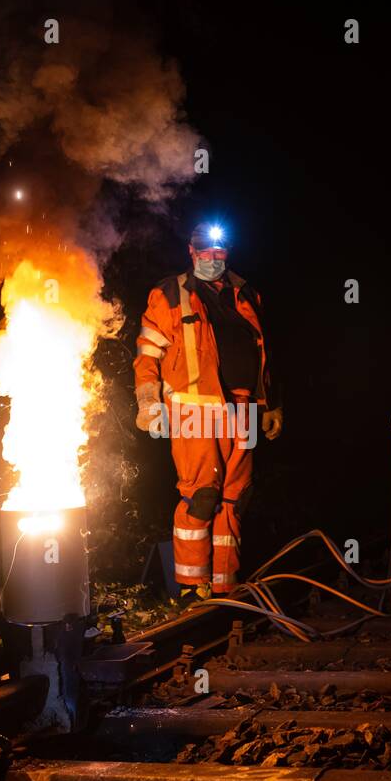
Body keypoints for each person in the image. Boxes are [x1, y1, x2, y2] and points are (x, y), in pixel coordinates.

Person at [133, 223, 283, 601]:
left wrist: (271, 404)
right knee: (201, 496)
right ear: (191, 250)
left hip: (244, 407)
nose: (213, 259)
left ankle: (224, 586)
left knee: (236, 498)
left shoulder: (246, 292)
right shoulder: (168, 293)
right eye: (205, 251)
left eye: (220, 252)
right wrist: (149, 402)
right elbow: (148, 354)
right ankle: (190, 585)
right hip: (193, 410)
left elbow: (262, 353)